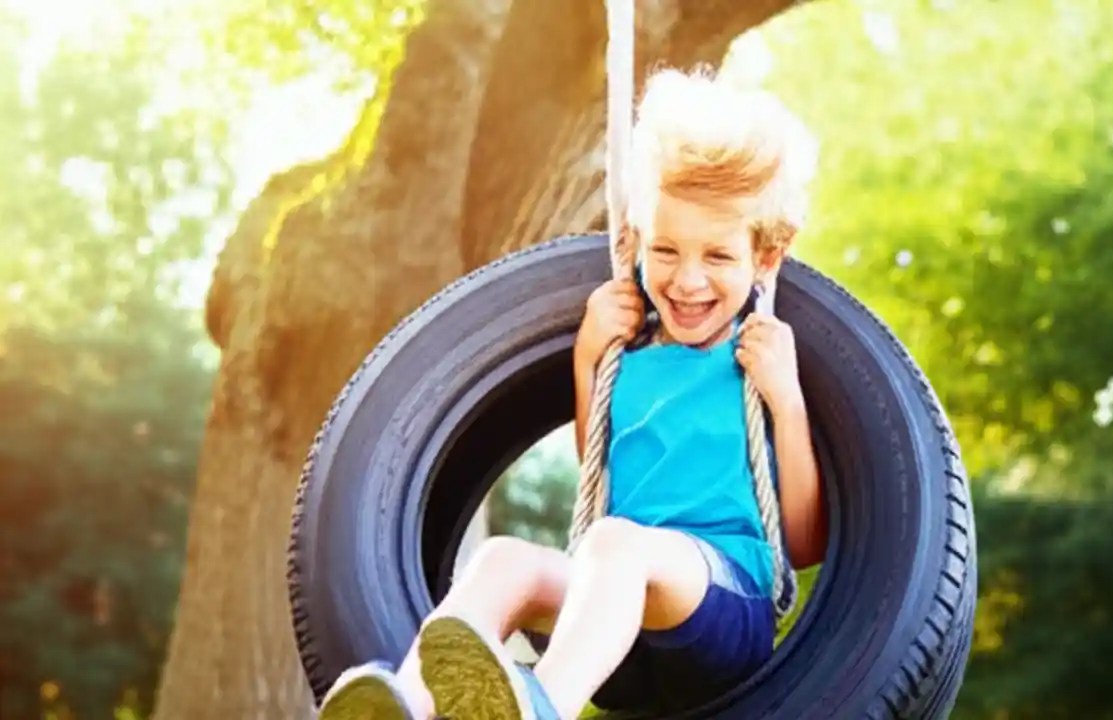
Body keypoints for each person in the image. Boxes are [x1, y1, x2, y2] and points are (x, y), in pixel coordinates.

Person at [316, 66, 826, 720]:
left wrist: (787, 402)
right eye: (665, 249)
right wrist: (589, 359)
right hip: (616, 630)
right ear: (636, 237)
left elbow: (806, 545)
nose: (686, 279)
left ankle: (542, 706)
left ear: (766, 257)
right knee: (505, 561)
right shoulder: (631, 363)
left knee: (614, 545)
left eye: (717, 257)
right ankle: (405, 706)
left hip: (724, 612)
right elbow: (599, 479)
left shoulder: (759, 363)